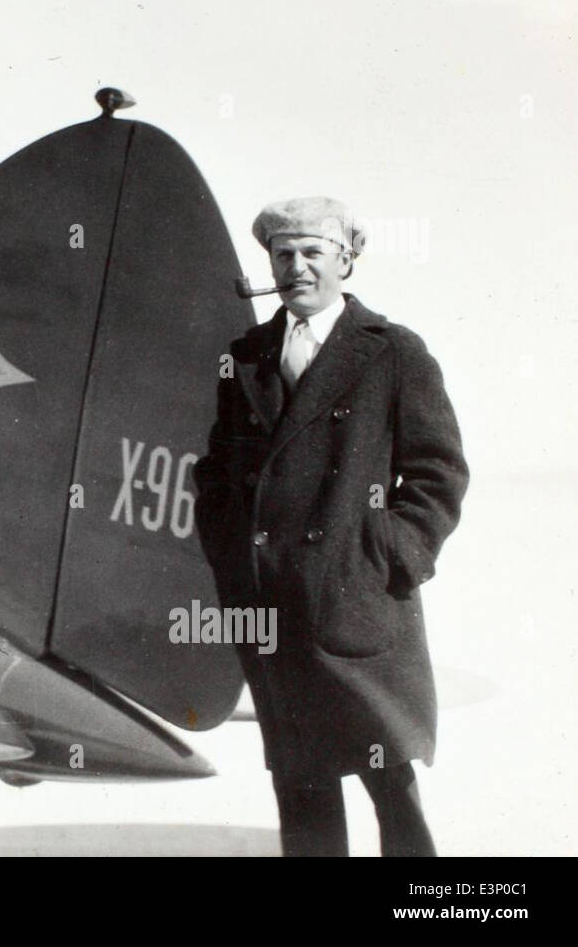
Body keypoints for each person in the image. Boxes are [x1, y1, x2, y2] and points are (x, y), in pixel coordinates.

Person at [194, 196, 469, 857]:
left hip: (357, 601)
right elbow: (220, 469)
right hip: (273, 604)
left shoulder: (393, 352)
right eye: (283, 254)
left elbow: (438, 470)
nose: (297, 267)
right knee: (302, 783)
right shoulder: (250, 355)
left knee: (389, 776)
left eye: (313, 252)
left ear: (345, 260)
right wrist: (233, 555)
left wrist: (389, 554)